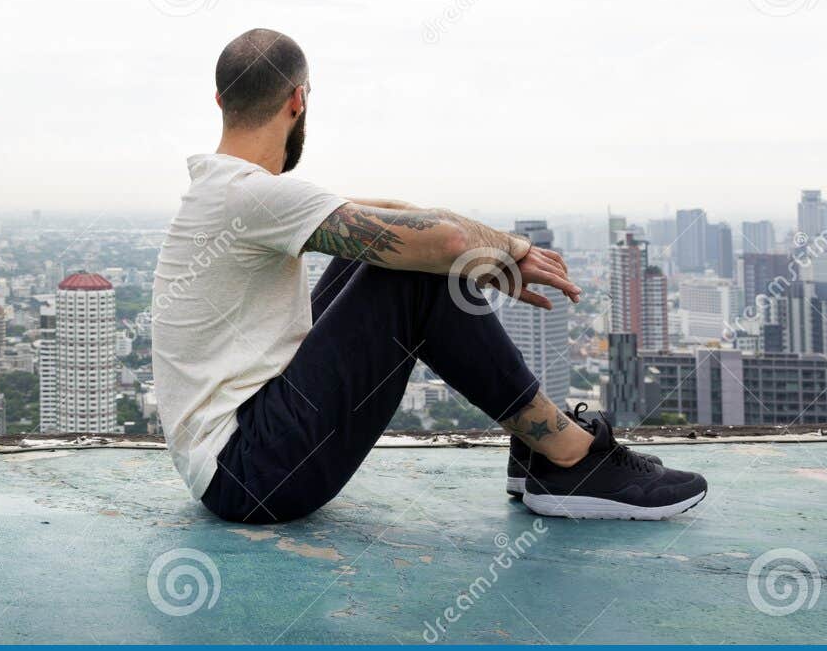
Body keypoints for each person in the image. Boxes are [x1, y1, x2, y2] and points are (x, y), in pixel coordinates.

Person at [150, 27, 707, 523]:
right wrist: (509, 248)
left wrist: (491, 249)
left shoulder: (232, 190)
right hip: (252, 474)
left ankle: (540, 450)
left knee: (375, 251)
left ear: (222, 101)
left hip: (243, 460)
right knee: (413, 273)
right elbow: (447, 243)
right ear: (299, 99)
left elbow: (392, 215)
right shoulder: (252, 196)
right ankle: (567, 455)